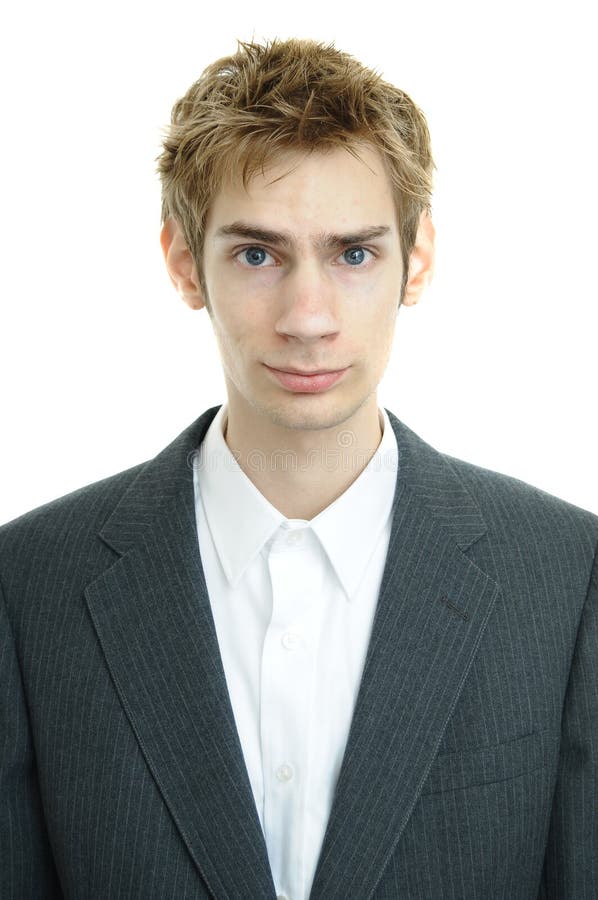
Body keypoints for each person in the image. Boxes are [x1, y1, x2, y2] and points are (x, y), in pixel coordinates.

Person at [0, 37, 596, 900]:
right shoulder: (28, 586)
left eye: (353, 254)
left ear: (417, 259)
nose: (308, 318)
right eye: (258, 255)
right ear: (183, 262)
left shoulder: (566, 575)